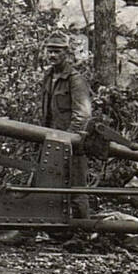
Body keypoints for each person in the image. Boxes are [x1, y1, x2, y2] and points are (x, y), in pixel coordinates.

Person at [40, 29, 93, 216]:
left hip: (70, 142)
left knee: (76, 187)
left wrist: (67, 139)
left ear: (67, 53)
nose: (52, 55)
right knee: (52, 184)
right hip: (51, 139)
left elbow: (83, 115)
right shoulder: (48, 76)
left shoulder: (75, 80)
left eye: (57, 51)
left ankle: (82, 231)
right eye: (50, 51)